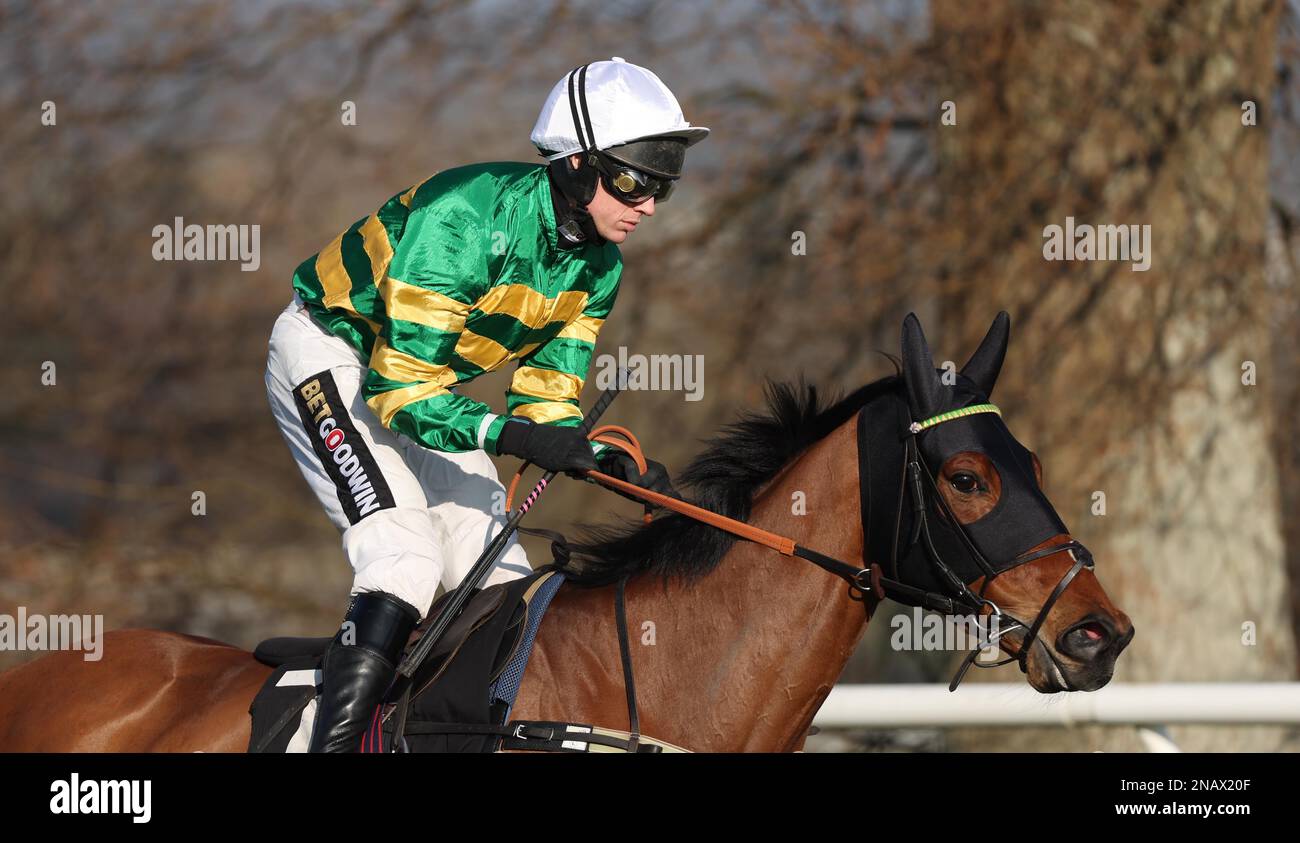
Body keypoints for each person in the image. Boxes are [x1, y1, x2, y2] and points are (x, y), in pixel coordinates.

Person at [263, 58, 707, 752]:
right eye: (633, 178)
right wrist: (513, 435)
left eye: (662, 183)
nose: (648, 202)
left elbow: (547, 401)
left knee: (504, 585)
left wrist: (603, 460)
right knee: (403, 556)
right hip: (332, 357)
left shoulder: (600, 268)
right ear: (575, 164)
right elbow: (397, 391)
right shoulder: (462, 219)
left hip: (423, 388)